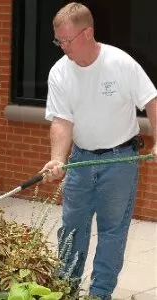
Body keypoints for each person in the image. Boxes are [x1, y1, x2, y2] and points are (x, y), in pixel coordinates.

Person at [42, 2, 157, 300]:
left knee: (112, 232)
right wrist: (57, 158)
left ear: (88, 33)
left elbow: (152, 101)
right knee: (72, 229)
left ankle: (99, 294)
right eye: (59, 40)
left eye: (68, 39)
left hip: (120, 160)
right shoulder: (59, 73)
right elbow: (62, 122)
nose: (63, 47)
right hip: (80, 160)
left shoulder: (120, 63)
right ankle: (66, 290)